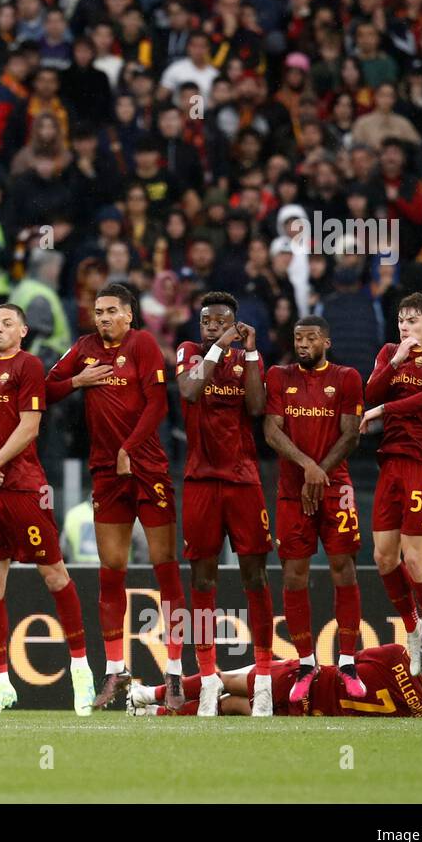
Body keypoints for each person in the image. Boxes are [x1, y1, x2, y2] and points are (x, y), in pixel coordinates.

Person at [45, 283, 188, 711]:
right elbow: (47, 389)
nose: (103, 317)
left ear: (129, 315)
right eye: (98, 310)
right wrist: (77, 380)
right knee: (111, 570)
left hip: (148, 469)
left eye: (111, 311)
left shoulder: (142, 344)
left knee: (166, 568)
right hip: (107, 474)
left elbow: (158, 404)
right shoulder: (84, 347)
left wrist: (129, 447)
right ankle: (116, 671)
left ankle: (176, 673)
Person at [0, 305, 95, 718]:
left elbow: (29, 427)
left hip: (24, 488)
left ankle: (80, 671)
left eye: (6, 324)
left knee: (53, 574)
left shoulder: (28, 365)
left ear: (22, 330)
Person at [174, 292, 275, 716]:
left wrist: (250, 354)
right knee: (201, 578)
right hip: (200, 479)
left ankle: (265, 678)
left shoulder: (247, 359)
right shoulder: (189, 352)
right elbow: (191, 390)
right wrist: (216, 348)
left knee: (255, 575)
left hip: (243, 479)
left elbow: (255, 406)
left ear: (235, 324)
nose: (210, 327)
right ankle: (209, 678)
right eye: (206, 321)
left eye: (219, 322)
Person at [263, 316, 368, 702]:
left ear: (327, 340)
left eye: (310, 338)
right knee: (294, 574)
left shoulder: (347, 377)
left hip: (334, 486)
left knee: (343, 567)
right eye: (297, 338)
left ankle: (347, 663)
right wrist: (307, 468)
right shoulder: (278, 375)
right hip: (293, 490)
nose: (303, 343)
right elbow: (271, 431)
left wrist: (318, 472)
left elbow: (352, 433)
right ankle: (306, 664)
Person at [361, 292, 422, 683]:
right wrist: (395, 361)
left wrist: (382, 411)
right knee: (384, 557)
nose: (405, 326)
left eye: (414, 320)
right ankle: (413, 629)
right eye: (401, 319)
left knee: (414, 559)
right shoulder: (389, 353)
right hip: (392, 459)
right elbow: (368, 394)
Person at [127, 642, 422, 717]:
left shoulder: (398, 655)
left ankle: (148, 694)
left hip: (307, 682)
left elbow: (358, 660)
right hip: (308, 713)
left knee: (225, 680)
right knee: (229, 707)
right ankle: (154, 714)